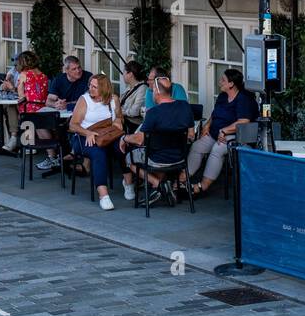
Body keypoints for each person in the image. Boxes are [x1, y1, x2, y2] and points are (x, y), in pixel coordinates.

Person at [120, 75, 195, 206]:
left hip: (157, 159)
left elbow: (139, 140)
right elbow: (191, 135)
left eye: (153, 89)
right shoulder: (185, 107)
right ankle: (159, 190)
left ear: (157, 91)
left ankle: (159, 185)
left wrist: (124, 137)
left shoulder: (153, 113)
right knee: (157, 149)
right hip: (180, 158)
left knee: (128, 159)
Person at [184, 68, 259, 196]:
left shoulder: (244, 99)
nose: (220, 82)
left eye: (223, 80)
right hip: (215, 133)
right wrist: (207, 125)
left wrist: (224, 131)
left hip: (237, 137)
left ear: (231, 84)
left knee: (217, 149)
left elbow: (244, 121)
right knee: (197, 146)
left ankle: (203, 186)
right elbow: (215, 114)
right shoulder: (223, 96)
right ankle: (182, 179)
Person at [68, 73, 124, 211]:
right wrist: (87, 133)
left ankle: (127, 183)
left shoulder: (113, 99)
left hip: (106, 136)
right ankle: (103, 195)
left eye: (95, 87)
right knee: (98, 153)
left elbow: (120, 117)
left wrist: (117, 120)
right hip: (83, 137)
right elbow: (73, 125)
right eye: (90, 86)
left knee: (122, 147)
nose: (90, 89)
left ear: (104, 88)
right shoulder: (84, 100)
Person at [37, 56, 92, 173]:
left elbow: (89, 100)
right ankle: (52, 157)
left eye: (79, 67)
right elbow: (48, 101)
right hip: (61, 114)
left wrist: (67, 104)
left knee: (72, 124)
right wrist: (56, 104)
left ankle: (72, 154)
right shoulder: (59, 79)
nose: (78, 71)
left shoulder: (88, 77)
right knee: (39, 122)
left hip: (80, 114)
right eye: (74, 69)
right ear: (66, 70)